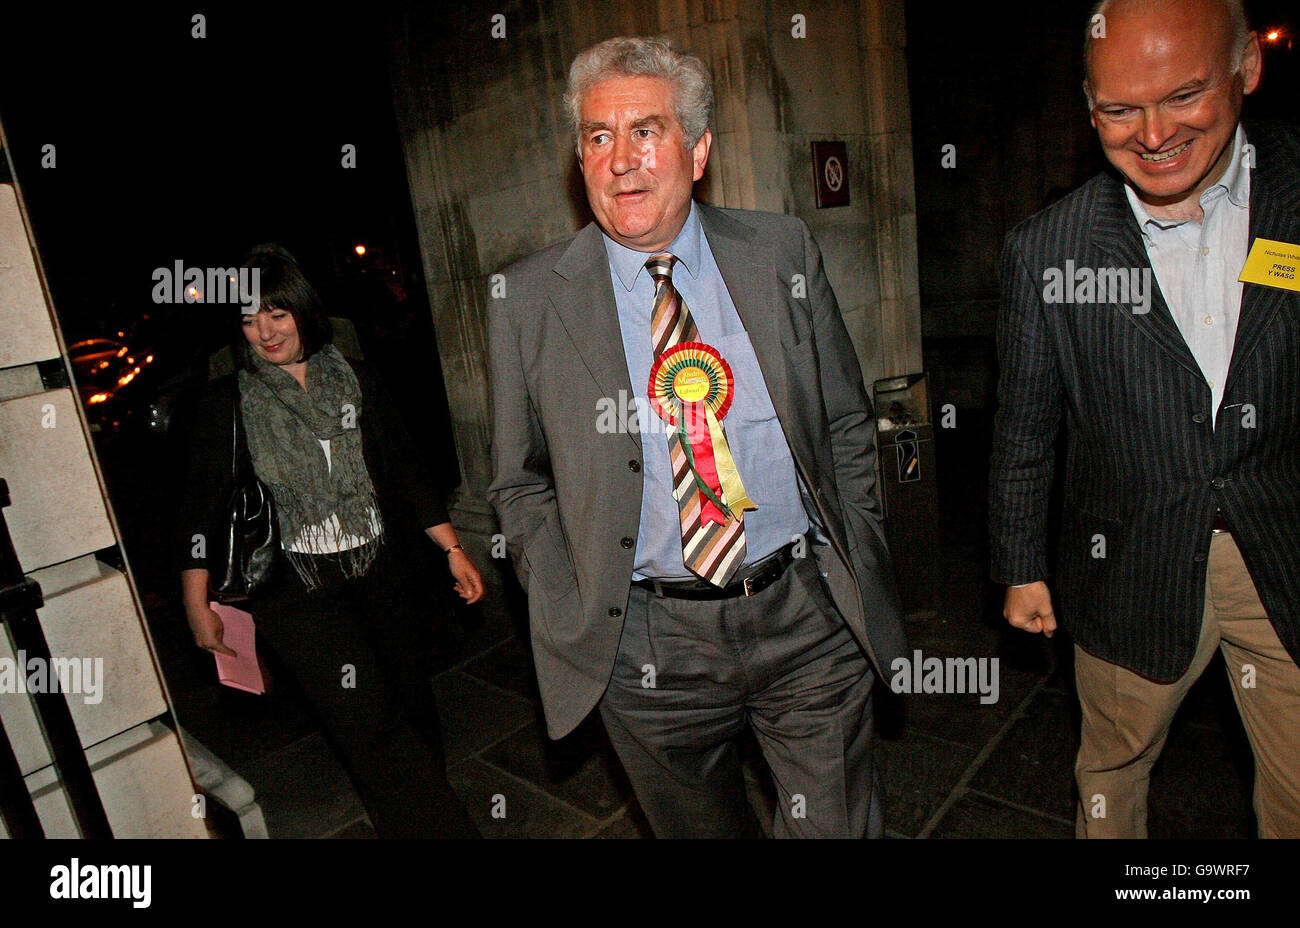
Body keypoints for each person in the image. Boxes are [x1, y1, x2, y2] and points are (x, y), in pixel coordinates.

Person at [487, 36, 906, 838]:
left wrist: (857, 539)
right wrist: (568, 592)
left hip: (803, 615)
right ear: (580, 160)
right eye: (598, 138)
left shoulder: (780, 251)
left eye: (646, 131)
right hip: (645, 646)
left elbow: (847, 419)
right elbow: (517, 480)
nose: (621, 161)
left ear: (699, 149)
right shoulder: (529, 297)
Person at [990, 0, 1300, 837]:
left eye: (1185, 95)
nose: (1153, 133)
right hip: (1127, 561)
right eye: (1121, 109)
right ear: (1090, 108)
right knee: (1112, 771)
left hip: (1282, 550)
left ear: (1248, 71)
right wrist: (1021, 564)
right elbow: (1024, 428)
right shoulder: (1047, 249)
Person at [179, 244, 483, 838]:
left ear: (302, 311)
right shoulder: (229, 403)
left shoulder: (357, 379)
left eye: (276, 314)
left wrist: (453, 549)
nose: (264, 332)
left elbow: (404, 471)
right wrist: (196, 600)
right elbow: (202, 509)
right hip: (297, 593)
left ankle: (407, 817)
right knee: (367, 721)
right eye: (248, 319)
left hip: (381, 569)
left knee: (411, 710)